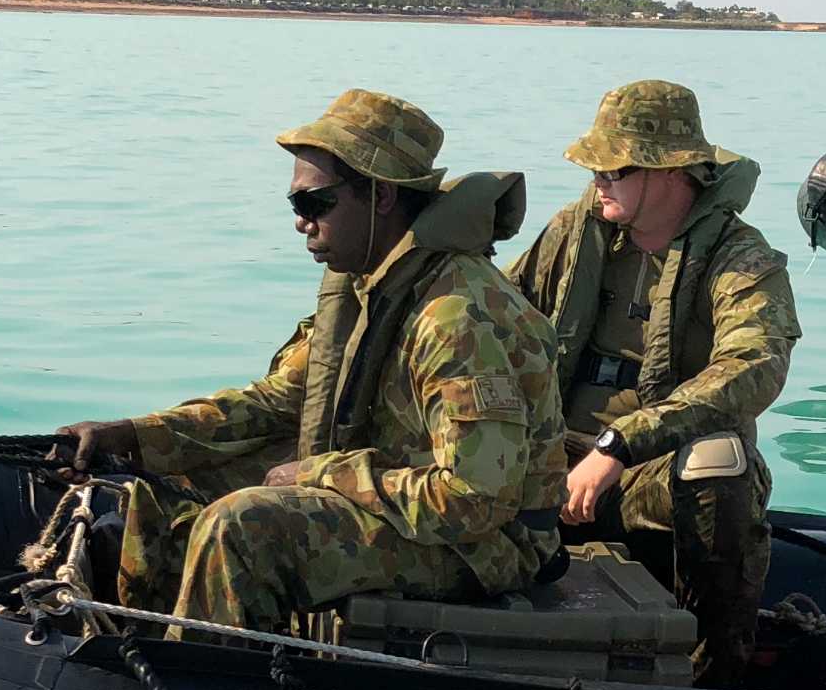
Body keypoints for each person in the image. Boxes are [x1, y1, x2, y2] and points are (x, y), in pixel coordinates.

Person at [49, 90, 566, 635]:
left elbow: (473, 502)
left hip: (487, 546)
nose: (302, 224)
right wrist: (134, 436)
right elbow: (279, 401)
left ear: (382, 197)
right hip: (406, 496)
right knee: (170, 477)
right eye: (296, 206)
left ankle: (209, 687)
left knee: (243, 527)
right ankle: (144, 641)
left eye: (314, 204)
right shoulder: (373, 287)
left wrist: (322, 472)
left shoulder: (455, 318)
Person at [506, 79, 800, 683]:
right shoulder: (574, 234)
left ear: (671, 171)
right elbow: (496, 315)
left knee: (719, 463)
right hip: (551, 456)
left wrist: (622, 443)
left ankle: (714, 674)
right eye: (596, 169)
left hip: (651, 470)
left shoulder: (741, 258)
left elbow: (754, 366)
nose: (598, 182)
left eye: (613, 169)